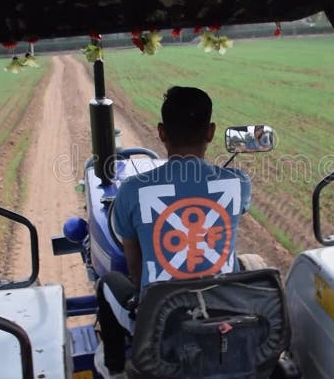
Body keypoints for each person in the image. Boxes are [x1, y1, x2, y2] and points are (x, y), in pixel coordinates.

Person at [95, 86, 251, 378]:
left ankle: (114, 369)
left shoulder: (132, 189)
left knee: (107, 283)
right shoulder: (238, 183)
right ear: (211, 132)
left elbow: (135, 268)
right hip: (221, 311)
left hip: (161, 318)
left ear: (162, 133)